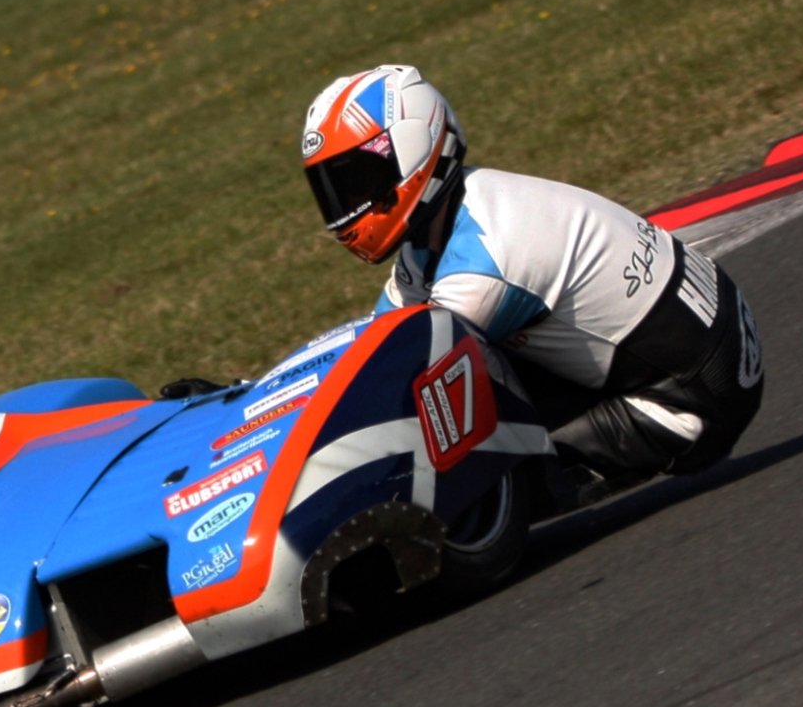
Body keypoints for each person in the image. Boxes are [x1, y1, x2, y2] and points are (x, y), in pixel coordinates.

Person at [300, 64, 763, 501]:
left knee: (455, 472)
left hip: (690, 399)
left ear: (413, 151)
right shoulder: (453, 216)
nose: (348, 207)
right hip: (693, 340)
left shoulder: (485, 262)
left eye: (359, 182)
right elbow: (375, 341)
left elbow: (400, 374)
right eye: (335, 193)